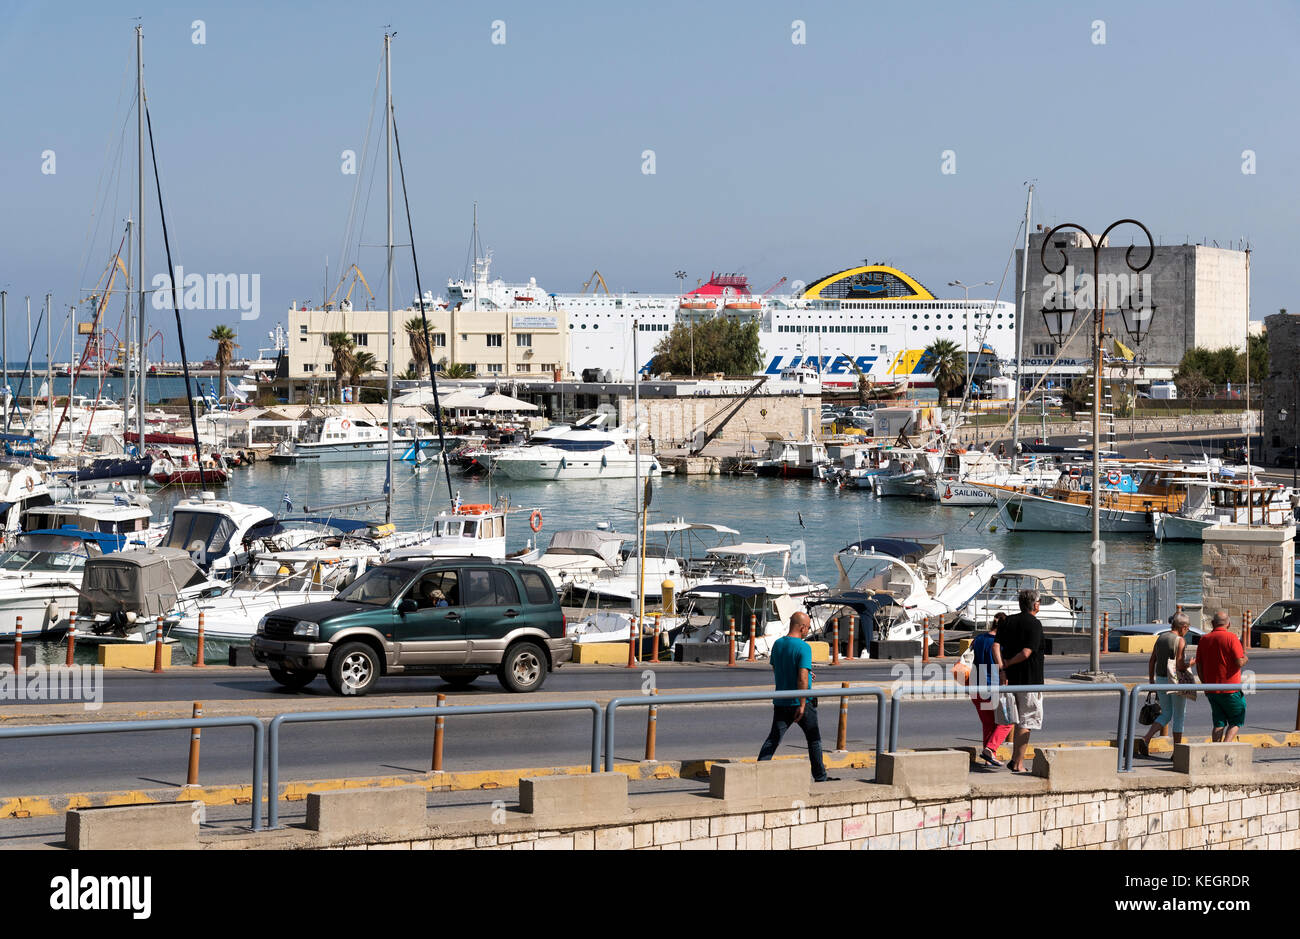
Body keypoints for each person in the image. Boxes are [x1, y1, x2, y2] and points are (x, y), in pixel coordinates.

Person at [757, 612, 838, 782]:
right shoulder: (803, 647)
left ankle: (759, 772)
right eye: (807, 627)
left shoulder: (777, 644)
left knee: (773, 739)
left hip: (781, 700)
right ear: (801, 627)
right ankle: (820, 776)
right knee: (814, 740)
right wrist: (802, 704)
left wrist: (808, 674)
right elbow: (801, 678)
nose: (808, 630)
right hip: (802, 702)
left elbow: (778, 669)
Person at [995, 589, 1045, 772]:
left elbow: (996, 646)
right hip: (1030, 680)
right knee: (1027, 722)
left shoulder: (1007, 621)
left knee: (1015, 721)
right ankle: (1018, 763)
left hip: (1009, 680)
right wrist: (1008, 662)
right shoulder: (1035, 624)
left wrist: (1002, 668)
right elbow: (1026, 653)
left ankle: (1015, 760)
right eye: (1039, 601)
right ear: (1035, 604)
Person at [1136, 612, 1195, 756]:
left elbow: (1152, 661)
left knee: (1167, 713)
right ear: (1183, 627)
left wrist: (1151, 680)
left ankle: (1146, 738)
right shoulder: (1180, 641)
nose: (1187, 631)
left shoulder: (1161, 638)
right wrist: (1191, 663)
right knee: (1179, 716)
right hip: (1174, 681)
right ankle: (1177, 752)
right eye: (1187, 628)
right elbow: (1180, 666)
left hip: (1161, 680)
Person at [1197, 610, 1248, 742]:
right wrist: (1245, 659)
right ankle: (1225, 747)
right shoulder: (1232, 638)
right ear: (1228, 624)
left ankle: (1215, 748)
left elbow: (1199, 666)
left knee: (1219, 723)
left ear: (1212, 623)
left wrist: (1205, 684)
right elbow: (1238, 662)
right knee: (1236, 720)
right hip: (1231, 689)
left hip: (1212, 689)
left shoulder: (1204, 639)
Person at [969, 612, 1013, 766]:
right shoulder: (999, 643)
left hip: (975, 687)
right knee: (1007, 721)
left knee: (988, 724)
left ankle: (989, 757)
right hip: (992, 687)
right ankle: (991, 749)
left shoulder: (978, 639)